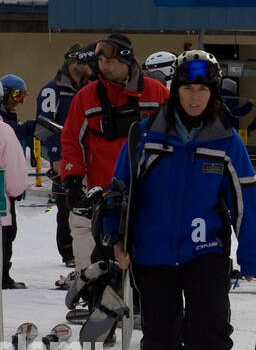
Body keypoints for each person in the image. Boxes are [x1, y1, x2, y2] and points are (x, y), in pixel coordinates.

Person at [102, 51, 256, 350]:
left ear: (214, 93)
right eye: (188, 88)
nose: (195, 97)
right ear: (176, 90)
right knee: (160, 334)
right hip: (152, 252)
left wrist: (251, 251)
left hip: (205, 251)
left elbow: (246, 198)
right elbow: (119, 191)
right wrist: (114, 237)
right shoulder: (144, 136)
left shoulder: (226, 141)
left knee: (208, 328)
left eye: (203, 90)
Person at [59, 34, 170, 271]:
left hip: (149, 199)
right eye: (100, 62)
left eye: (109, 62)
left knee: (148, 273)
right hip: (103, 197)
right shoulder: (86, 97)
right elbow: (71, 140)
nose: (103, 68)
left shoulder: (157, 94)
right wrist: (72, 180)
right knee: (99, 274)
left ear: (126, 60)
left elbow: (175, 141)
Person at [38, 44, 92, 273]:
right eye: (82, 63)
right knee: (66, 205)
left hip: (87, 157)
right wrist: (56, 157)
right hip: (64, 155)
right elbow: (44, 125)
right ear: (72, 64)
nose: (87, 66)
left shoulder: (88, 88)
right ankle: (68, 250)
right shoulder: (54, 90)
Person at [1, 74, 32, 289]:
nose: (19, 100)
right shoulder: (6, 127)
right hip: (4, 194)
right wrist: (16, 187)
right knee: (6, 232)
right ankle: (3, 275)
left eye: (23, 96)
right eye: (16, 95)